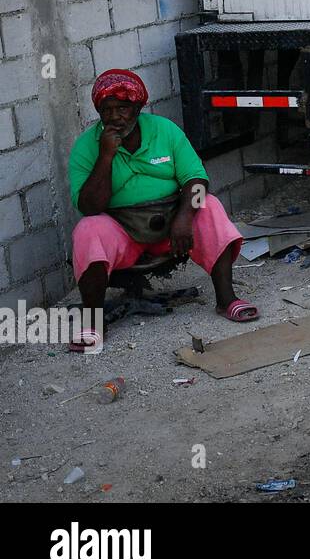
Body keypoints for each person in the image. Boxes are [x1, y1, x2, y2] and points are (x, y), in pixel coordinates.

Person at [67, 69, 257, 352]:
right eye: (107, 110)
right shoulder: (87, 146)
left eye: (123, 108)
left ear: (138, 108)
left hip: (171, 220)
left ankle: (227, 299)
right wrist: (106, 155)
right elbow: (90, 207)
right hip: (122, 226)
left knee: (209, 205)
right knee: (87, 231)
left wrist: (183, 218)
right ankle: (94, 321)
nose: (116, 116)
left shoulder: (164, 130)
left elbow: (197, 180)